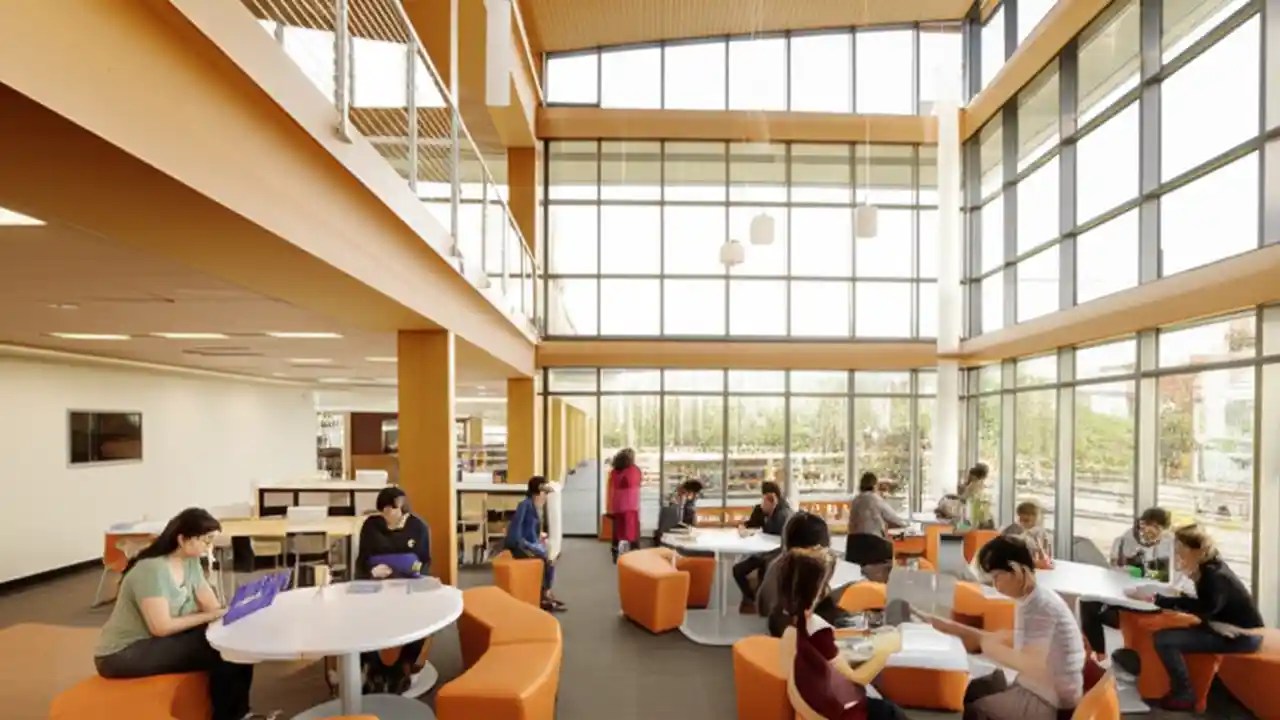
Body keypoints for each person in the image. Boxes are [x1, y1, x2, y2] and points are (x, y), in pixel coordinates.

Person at [94, 508, 262, 720]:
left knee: (237, 640)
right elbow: (161, 627)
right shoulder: (152, 570)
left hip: (153, 641)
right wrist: (213, 616)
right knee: (222, 650)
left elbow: (212, 608)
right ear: (182, 539)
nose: (208, 547)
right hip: (121, 653)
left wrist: (233, 612)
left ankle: (241, 714)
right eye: (205, 540)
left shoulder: (191, 563)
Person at [926, 536, 1086, 720]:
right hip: (1045, 688)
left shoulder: (1039, 607)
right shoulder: (1034, 600)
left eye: (997, 577)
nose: (995, 586)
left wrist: (989, 646)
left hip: (1049, 701)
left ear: (1016, 570)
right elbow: (1019, 642)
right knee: (977, 687)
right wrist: (945, 626)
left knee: (975, 709)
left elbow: (1030, 663)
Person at [1127, 524, 1263, 712]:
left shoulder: (1214, 575)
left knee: (1164, 640)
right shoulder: (1210, 565)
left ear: (1195, 550)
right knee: (1169, 630)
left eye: (1180, 548)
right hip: (1225, 628)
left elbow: (1206, 607)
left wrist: (1156, 599)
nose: (1176, 552)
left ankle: (1184, 694)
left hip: (1239, 636)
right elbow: (1206, 604)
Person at [775, 548, 908, 720]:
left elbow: (828, 655)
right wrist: (886, 652)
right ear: (817, 590)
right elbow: (855, 680)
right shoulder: (816, 628)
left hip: (813, 702)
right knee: (890, 711)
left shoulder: (790, 625)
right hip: (838, 710)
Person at [354, 486, 432, 693]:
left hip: (407, 587)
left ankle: (403, 667)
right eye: (383, 511)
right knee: (357, 617)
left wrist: (412, 572)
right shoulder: (371, 526)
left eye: (392, 510)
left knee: (422, 618)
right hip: (376, 586)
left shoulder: (418, 527)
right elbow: (361, 561)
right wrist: (372, 570)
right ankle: (373, 668)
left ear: (403, 509)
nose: (387, 516)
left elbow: (425, 563)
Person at [1079, 507, 1176, 663]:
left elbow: (1165, 576)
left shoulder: (1170, 543)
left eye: (1157, 527)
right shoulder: (1128, 537)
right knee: (1087, 602)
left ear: (1165, 529)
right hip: (1125, 591)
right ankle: (1099, 652)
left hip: (1149, 600)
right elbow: (1116, 566)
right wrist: (1132, 567)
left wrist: (1138, 570)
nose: (1149, 531)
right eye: (1146, 525)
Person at [760, 512, 854, 637]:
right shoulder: (824, 566)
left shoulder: (777, 565)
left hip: (781, 639)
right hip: (813, 641)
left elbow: (763, 607)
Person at [505, 476, 565, 612]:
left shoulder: (533, 506)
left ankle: (546, 593)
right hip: (519, 545)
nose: (545, 497)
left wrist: (539, 540)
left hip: (527, 543)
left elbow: (531, 529)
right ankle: (544, 595)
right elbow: (516, 530)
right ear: (537, 492)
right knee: (546, 559)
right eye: (544, 493)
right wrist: (526, 544)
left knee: (549, 557)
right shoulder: (525, 505)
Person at [732, 481, 792, 613]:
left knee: (739, 570)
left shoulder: (782, 514)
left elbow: (777, 538)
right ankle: (754, 601)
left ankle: (754, 601)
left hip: (772, 554)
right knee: (739, 568)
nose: (761, 504)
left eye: (764, 500)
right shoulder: (775, 511)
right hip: (766, 552)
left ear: (771, 499)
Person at [845, 471, 907, 568]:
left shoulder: (856, 500)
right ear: (875, 485)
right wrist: (906, 524)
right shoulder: (876, 499)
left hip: (853, 545)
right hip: (872, 544)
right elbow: (895, 520)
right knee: (896, 553)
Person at [607, 448, 642, 562]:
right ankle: (635, 554)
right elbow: (638, 481)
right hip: (631, 505)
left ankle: (615, 553)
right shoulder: (634, 470)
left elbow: (611, 488)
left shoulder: (614, 472)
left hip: (618, 505)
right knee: (633, 531)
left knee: (617, 531)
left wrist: (610, 508)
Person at [935, 463, 993, 529]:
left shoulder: (974, 486)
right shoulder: (981, 486)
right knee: (945, 505)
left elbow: (963, 499)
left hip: (968, 516)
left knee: (945, 505)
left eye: (970, 475)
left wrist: (952, 498)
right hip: (970, 515)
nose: (968, 477)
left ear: (974, 476)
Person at [1001, 501, 1053, 567]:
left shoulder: (1041, 532)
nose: (1028, 517)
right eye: (1024, 514)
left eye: (1032, 515)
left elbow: (1047, 555)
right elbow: (1009, 557)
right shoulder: (1012, 530)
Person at [655, 479, 703, 544]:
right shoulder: (680, 496)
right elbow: (678, 510)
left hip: (680, 522)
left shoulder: (688, 497)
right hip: (674, 523)